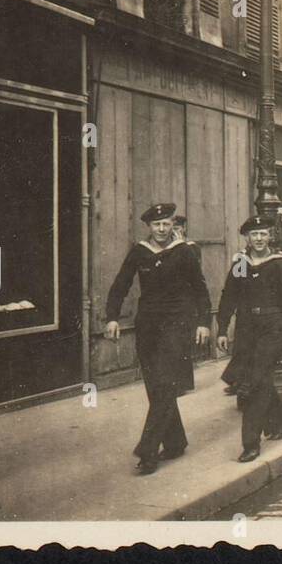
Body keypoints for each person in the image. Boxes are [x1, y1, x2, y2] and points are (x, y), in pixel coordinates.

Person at [104, 203, 211, 475]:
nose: (162, 229)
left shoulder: (185, 252)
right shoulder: (140, 252)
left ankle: (148, 451)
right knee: (156, 387)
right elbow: (121, 283)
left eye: (167, 224)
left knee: (165, 385)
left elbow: (200, 288)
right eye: (157, 225)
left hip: (177, 324)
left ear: (173, 225)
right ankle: (175, 442)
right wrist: (112, 317)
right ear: (149, 227)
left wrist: (203, 322)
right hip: (148, 326)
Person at [216, 217, 282, 463]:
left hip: (273, 327)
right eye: (254, 235)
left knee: (254, 381)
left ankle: (250, 443)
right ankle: (281, 417)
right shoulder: (242, 263)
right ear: (247, 238)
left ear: (270, 236)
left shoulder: (279, 265)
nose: (259, 239)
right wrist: (222, 328)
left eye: (263, 234)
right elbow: (229, 295)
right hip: (246, 328)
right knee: (259, 378)